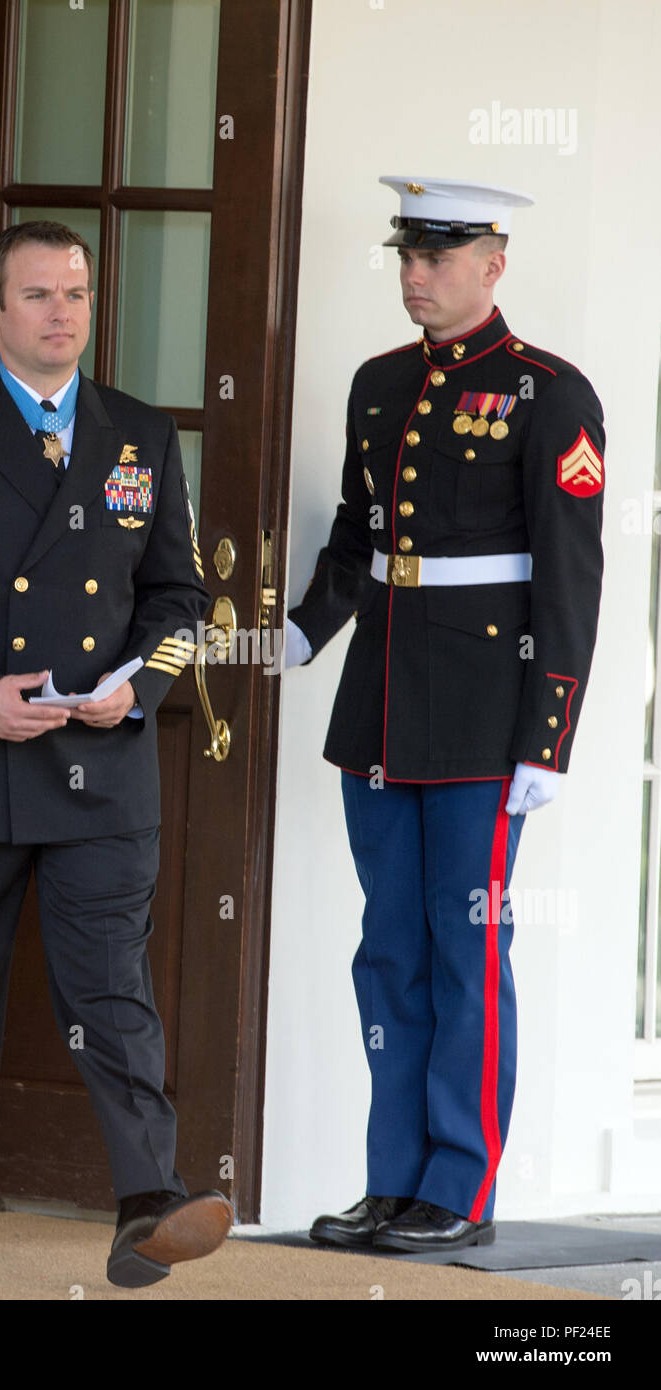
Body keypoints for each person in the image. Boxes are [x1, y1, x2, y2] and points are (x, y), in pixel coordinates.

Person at [0, 220, 232, 1288]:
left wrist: (138, 686)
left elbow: (180, 597)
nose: (61, 313)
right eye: (37, 295)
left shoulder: (140, 436)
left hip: (100, 765)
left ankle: (147, 1201)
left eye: (75, 293)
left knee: (110, 988)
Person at [285, 178, 604, 1252]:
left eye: (437, 257)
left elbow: (569, 577)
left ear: (491, 263)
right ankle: (391, 1179)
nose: (415, 277)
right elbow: (355, 534)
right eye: (406, 258)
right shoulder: (378, 384)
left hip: (483, 716)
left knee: (464, 952)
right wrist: (293, 633)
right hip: (378, 706)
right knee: (388, 950)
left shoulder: (547, 392)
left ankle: (457, 1191)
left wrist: (545, 738)